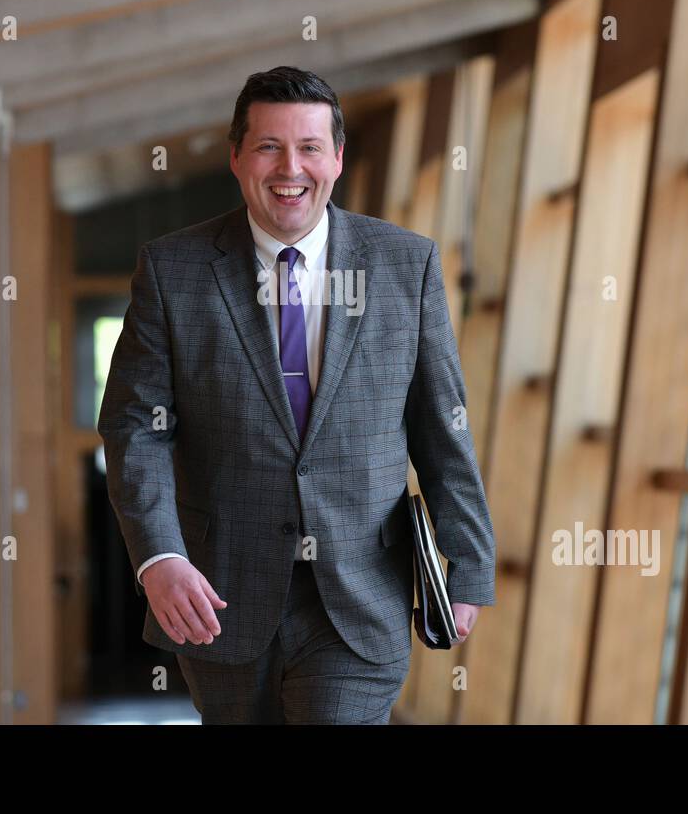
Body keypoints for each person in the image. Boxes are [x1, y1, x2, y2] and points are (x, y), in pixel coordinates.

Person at [98, 65, 496, 724]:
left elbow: (441, 425)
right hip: (218, 599)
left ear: (337, 158)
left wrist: (470, 561)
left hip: (361, 597)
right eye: (268, 146)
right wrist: (160, 558)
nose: (291, 167)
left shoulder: (405, 265)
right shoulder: (174, 271)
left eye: (310, 146)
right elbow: (134, 429)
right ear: (236, 157)